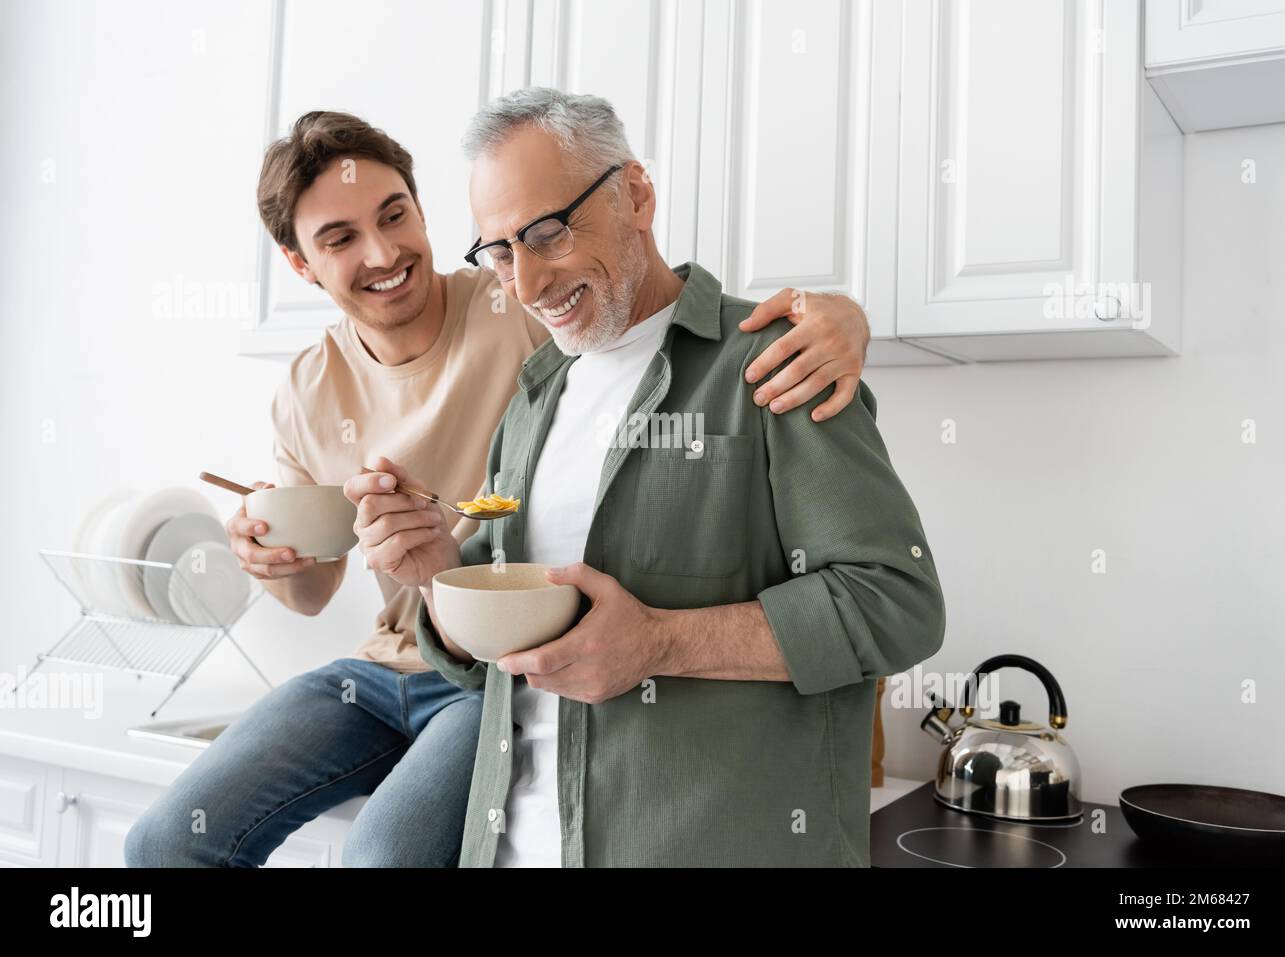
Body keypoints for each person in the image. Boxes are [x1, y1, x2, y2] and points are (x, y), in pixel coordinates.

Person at [125, 107, 876, 867]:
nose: (384, 251)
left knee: (381, 857)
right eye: (340, 237)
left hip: (492, 676)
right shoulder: (309, 383)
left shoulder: (521, 309)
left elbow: (654, 305)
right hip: (392, 660)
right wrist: (270, 557)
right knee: (162, 844)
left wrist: (843, 314)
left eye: (395, 215)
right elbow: (314, 587)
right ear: (300, 263)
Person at [349, 88, 946, 867]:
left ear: (635, 193)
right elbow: (487, 665)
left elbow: (898, 604)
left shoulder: (773, 360)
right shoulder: (534, 397)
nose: (526, 285)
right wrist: (436, 576)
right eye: (500, 252)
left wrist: (661, 642)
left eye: (548, 233)